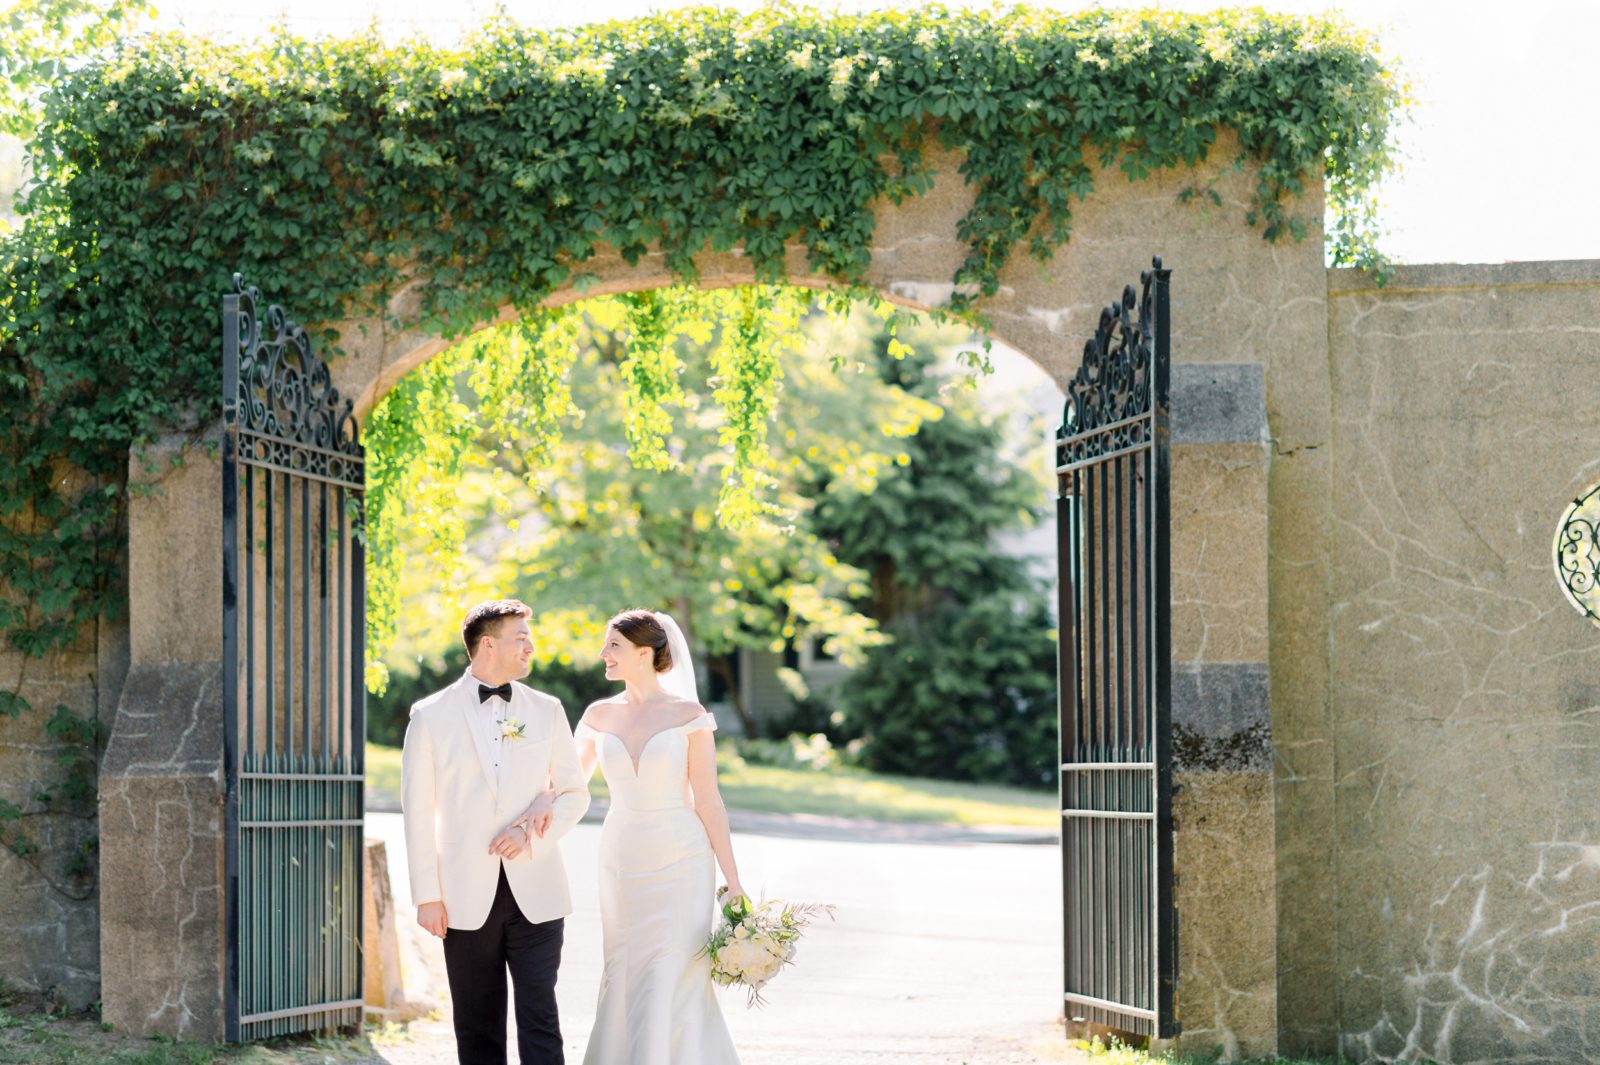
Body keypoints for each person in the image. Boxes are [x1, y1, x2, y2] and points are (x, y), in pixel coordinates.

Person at [520, 609, 745, 1065]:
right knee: (623, 963)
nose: (604, 654)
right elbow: (569, 781)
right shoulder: (599, 714)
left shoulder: (690, 716)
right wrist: (543, 800)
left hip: (682, 857)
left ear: (644, 653)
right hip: (622, 856)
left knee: (672, 967)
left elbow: (709, 802)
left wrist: (734, 883)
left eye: (614, 646)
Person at [401, 598, 591, 1065]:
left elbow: (574, 792)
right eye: (521, 638)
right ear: (488, 643)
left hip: (538, 890)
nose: (531, 647)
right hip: (463, 895)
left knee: (540, 1017)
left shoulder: (546, 710)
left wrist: (533, 834)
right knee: (477, 1023)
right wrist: (427, 895)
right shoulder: (429, 715)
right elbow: (418, 813)